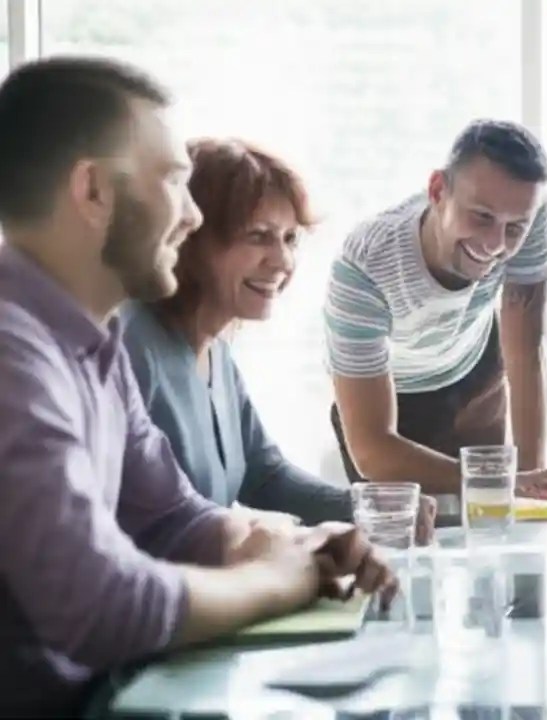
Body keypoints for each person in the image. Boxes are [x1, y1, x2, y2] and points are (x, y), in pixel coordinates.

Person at [0, 57, 394, 716]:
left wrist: (301, 546)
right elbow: (100, 607)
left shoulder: (92, 345)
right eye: (175, 184)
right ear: (93, 190)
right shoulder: (16, 360)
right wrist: (274, 582)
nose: (189, 217)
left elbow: (174, 516)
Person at [120, 137, 435, 535]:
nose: (283, 261)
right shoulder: (130, 349)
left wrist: (370, 506)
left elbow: (264, 476)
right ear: (193, 237)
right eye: (258, 236)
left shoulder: (216, 352)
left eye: (289, 239)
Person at [325, 120, 547, 500]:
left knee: (492, 521)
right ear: (438, 190)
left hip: (475, 368)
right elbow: (373, 449)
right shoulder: (364, 265)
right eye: (481, 217)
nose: (494, 245)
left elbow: (525, 352)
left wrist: (531, 485)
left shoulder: (527, 208)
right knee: (407, 533)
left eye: (514, 228)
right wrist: (502, 480)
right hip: (392, 394)